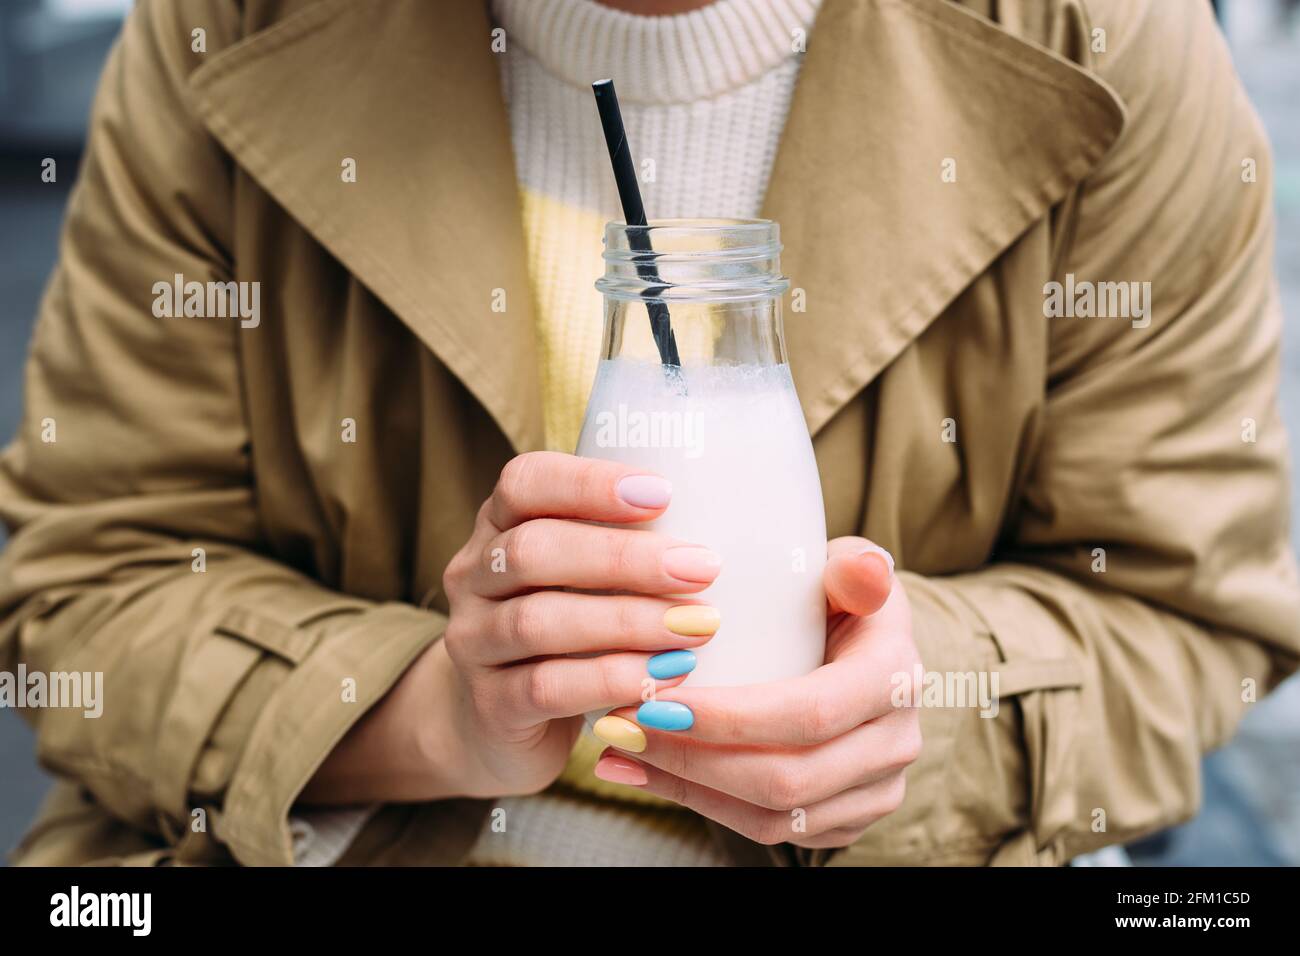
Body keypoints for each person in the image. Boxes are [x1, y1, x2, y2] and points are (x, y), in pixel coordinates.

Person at [1, 0, 1297, 867]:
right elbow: (90, 589)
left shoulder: (1109, 40)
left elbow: (1188, 618)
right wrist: (424, 717)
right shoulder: (223, 26)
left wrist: (929, 703)